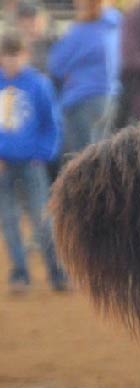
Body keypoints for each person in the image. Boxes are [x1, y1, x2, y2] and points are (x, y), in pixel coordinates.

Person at [0, 33, 66, 293]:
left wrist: (41, 156)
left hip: (32, 164)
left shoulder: (39, 84)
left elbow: (52, 125)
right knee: (9, 219)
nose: (11, 60)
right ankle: (20, 274)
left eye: (15, 55)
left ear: (25, 56)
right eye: (6, 55)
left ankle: (57, 273)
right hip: (3, 165)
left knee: (41, 218)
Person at [47, 0, 122, 158]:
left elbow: (56, 64)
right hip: (109, 98)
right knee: (102, 154)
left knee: (81, 158)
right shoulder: (115, 25)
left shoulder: (84, 29)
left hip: (82, 99)